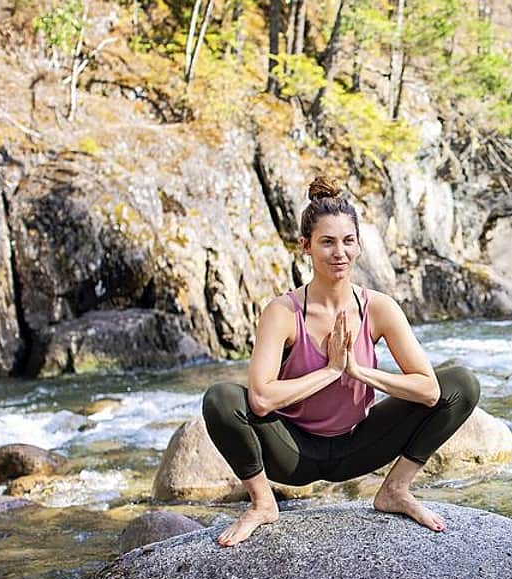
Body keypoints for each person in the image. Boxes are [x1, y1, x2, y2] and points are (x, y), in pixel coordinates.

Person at [201, 177, 480, 546]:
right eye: (327, 242)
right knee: (221, 399)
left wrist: (358, 371)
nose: (339, 253)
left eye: (348, 241)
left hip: (358, 446)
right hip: (294, 452)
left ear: (360, 246)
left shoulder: (378, 308)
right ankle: (262, 502)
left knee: (461, 384)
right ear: (305, 246)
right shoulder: (283, 312)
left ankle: (395, 490)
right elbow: (260, 399)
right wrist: (330, 370)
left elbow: (429, 391)